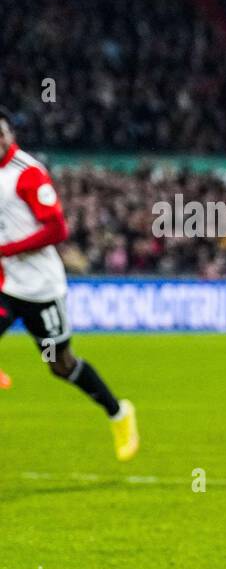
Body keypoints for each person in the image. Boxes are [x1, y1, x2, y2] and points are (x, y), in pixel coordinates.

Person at [0, 107, 138, 461]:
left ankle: (118, 413)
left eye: (1, 133)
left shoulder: (27, 174)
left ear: (10, 134)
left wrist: (7, 249)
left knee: (60, 365)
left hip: (41, 289)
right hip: (6, 285)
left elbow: (57, 229)